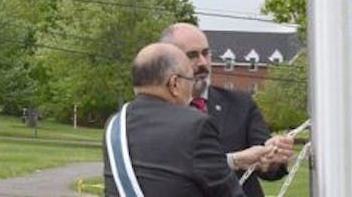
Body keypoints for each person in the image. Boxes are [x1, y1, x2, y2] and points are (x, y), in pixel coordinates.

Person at [160, 23, 293, 197]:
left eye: (206, 53)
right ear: (168, 62)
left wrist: (272, 158)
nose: (203, 62)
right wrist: (235, 160)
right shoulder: (157, 112)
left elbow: (266, 166)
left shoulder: (241, 104)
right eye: (192, 55)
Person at [103, 43, 245, 197]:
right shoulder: (196, 125)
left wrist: (236, 160)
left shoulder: (115, 125)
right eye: (191, 80)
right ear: (174, 84)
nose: (192, 90)